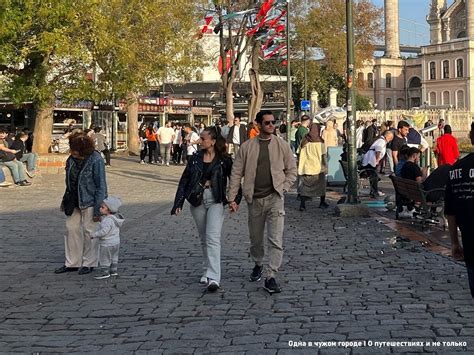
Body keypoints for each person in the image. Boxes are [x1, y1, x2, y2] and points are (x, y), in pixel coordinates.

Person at [227, 110, 297, 294]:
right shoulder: (247, 147)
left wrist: (284, 187)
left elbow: (292, 170)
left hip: (275, 198)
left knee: (276, 239)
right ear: (258, 125)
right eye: (267, 123)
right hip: (254, 199)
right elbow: (236, 173)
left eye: (273, 122)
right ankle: (258, 263)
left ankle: (271, 275)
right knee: (256, 239)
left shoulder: (282, 145)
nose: (271, 125)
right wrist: (232, 197)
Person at [171, 127, 239, 292]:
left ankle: (214, 277)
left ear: (213, 141)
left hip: (216, 199)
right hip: (198, 199)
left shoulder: (224, 159)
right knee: (204, 238)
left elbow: (235, 180)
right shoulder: (195, 158)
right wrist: (178, 203)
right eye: (200, 138)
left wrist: (235, 199)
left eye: (203, 139)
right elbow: (184, 180)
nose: (200, 141)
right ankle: (207, 269)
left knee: (212, 237)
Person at [55, 133, 107, 275]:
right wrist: (65, 200)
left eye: (75, 150)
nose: (73, 153)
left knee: (90, 231)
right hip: (73, 199)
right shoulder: (71, 159)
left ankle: (89, 262)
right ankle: (72, 262)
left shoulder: (96, 160)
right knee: (71, 228)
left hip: (90, 199)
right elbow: (69, 181)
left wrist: (99, 208)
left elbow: (101, 185)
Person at [445, 122, 474, 297]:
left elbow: (450, 212)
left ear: (471, 137)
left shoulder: (456, 170)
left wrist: (454, 242)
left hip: (470, 242)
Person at [298, 123, 329, 211]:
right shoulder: (320, 142)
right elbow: (324, 156)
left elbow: (299, 152)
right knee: (321, 186)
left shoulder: (304, 141)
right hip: (318, 168)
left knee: (305, 187)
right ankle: (322, 202)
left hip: (306, 167)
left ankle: (302, 205)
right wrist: (326, 167)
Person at [92, 196, 124, 280]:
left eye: (102, 207)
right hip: (116, 242)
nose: (100, 208)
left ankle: (105, 272)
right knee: (114, 257)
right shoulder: (114, 218)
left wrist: (94, 235)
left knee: (105, 257)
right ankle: (114, 270)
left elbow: (104, 232)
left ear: (109, 210)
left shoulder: (107, 220)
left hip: (107, 243)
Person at [361, 130, 394, 198]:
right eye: (390, 138)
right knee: (374, 176)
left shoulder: (381, 140)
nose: (390, 140)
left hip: (370, 159)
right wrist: (377, 160)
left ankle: (374, 191)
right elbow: (378, 151)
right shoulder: (381, 141)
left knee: (374, 176)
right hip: (371, 160)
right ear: (387, 136)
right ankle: (374, 192)